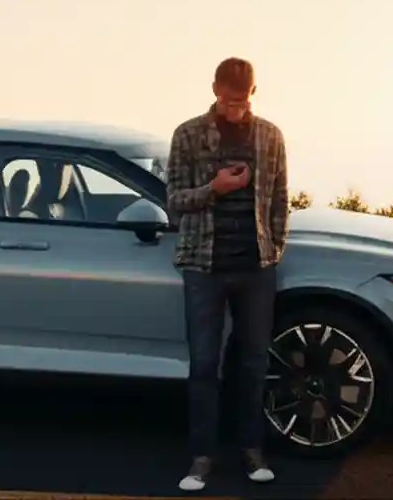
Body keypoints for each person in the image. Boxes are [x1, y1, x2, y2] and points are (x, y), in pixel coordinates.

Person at [166, 57, 289, 492]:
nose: (235, 108)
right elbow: (174, 201)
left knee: (254, 364)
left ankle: (252, 451)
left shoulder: (270, 136)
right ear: (214, 89)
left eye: (242, 100)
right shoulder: (188, 134)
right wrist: (213, 189)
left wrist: (274, 249)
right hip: (204, 267)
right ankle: (201, 458)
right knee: (204, 365)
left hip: (256, 267)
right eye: (227, 99)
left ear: (253, 93)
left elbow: (279, 200)